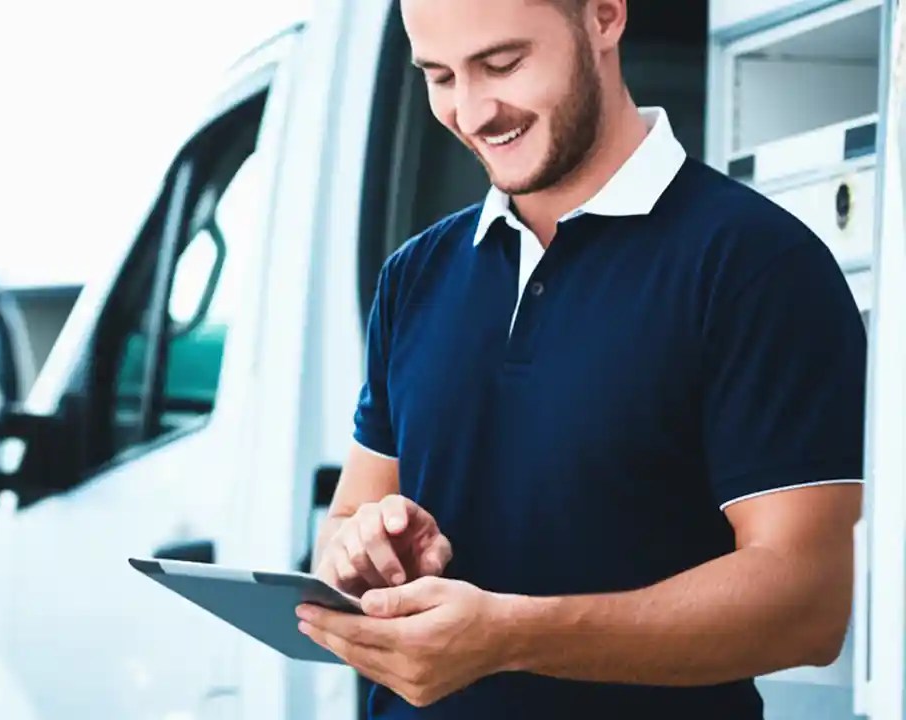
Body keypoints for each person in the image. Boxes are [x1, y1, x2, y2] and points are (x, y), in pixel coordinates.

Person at [296, 0, 867, 718]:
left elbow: (806, 603)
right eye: (439, 76)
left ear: (603, 16)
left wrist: (510, 637)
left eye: (502, 64)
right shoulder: (414, 275)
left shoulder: (758, 265)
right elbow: (347, 517)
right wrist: (359, 554)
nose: (472, 112)